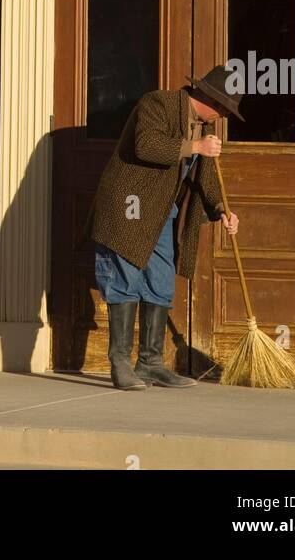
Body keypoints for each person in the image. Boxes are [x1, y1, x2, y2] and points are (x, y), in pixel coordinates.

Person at [85, 64, 243, 390]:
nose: (223, 117)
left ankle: (151, 363)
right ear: (208, 97)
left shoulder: (202, 128)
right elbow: (147, 145)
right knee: (124, 278)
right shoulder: (157, 103)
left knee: (159, 281)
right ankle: (119, 364)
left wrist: (221, 209)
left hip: (160, 212)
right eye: (224, 108)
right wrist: (195, 148)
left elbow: (207, 179)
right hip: (129, 204)